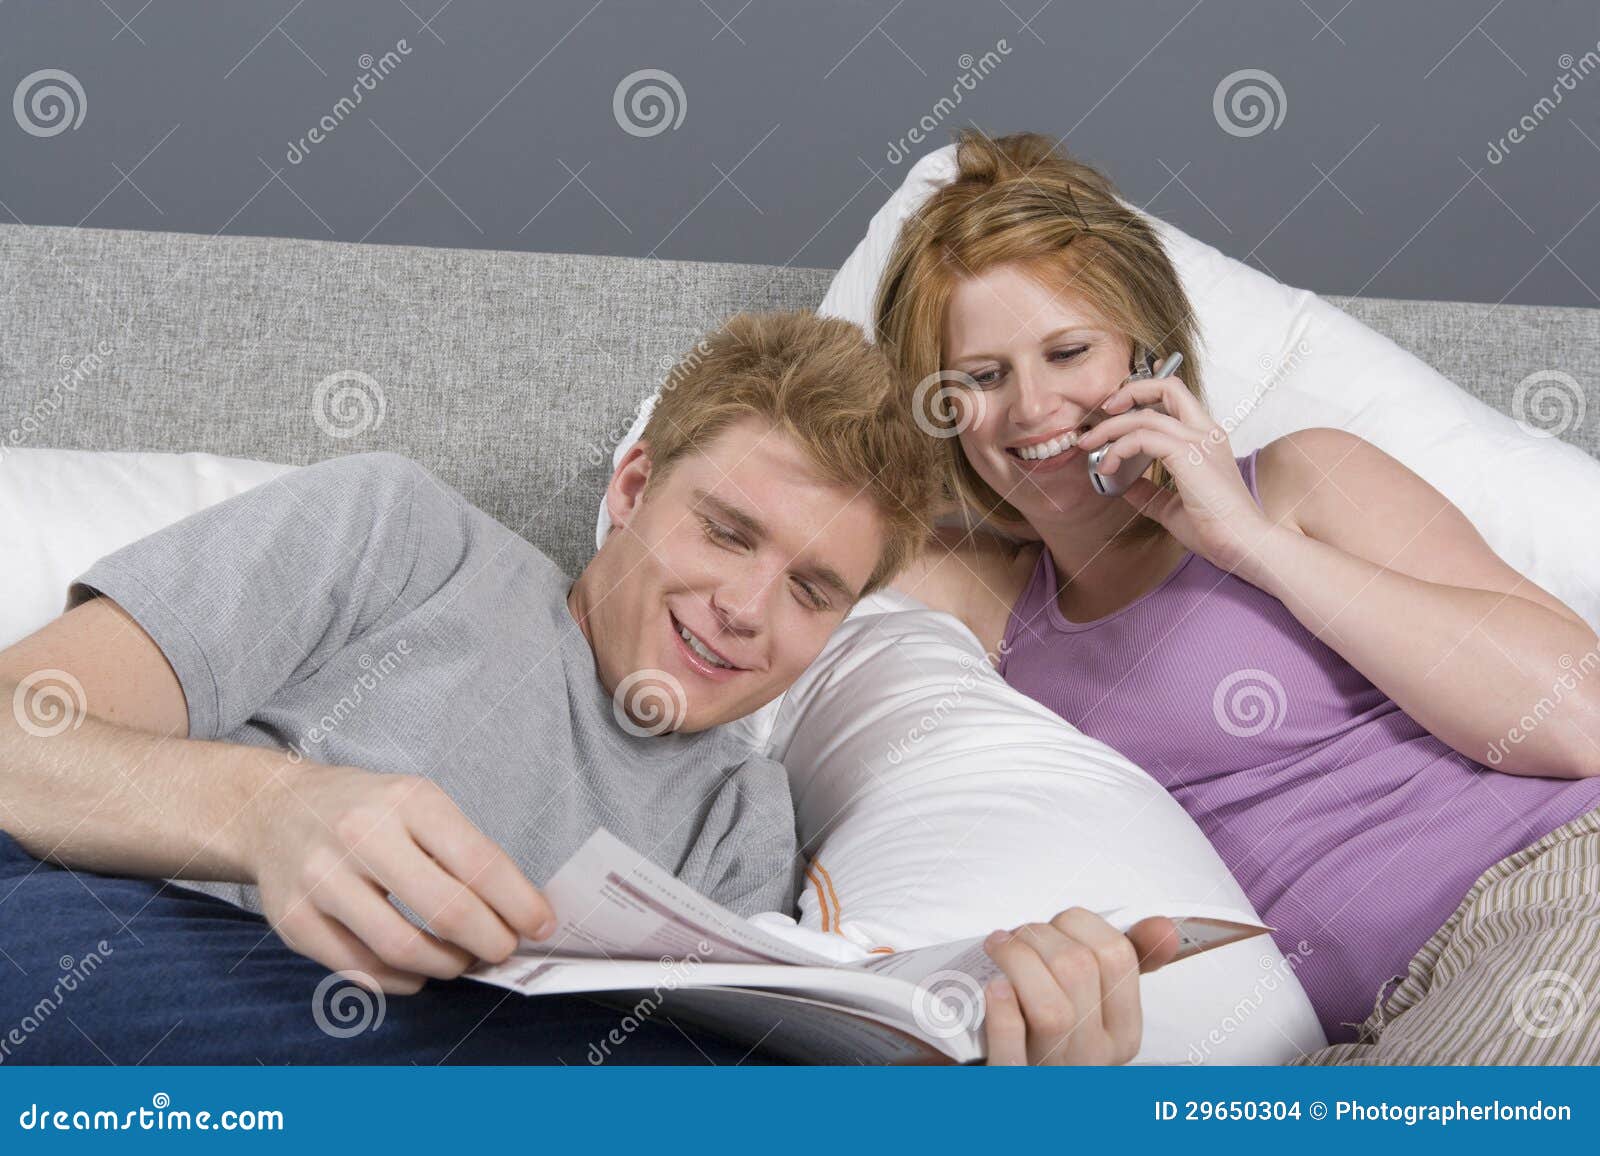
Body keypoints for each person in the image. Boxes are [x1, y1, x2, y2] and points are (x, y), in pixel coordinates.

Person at [0, 308, 1174, 1066]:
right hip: (127, 963)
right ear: (631, 485)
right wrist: (268, 813)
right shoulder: (402, 533)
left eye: (812, 589)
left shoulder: (741, 822)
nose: (745, 608)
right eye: (724, 531)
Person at [878, 130, 1600, 1064]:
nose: (1030, 408)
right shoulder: (989, 603)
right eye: (981, 377)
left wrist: (1250, 545)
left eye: (1068, 351)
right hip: (1351, 1044)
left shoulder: (1302, 482)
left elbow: (1581, 717)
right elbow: (785, 526)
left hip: (1545, 902)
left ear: (1147, 350)